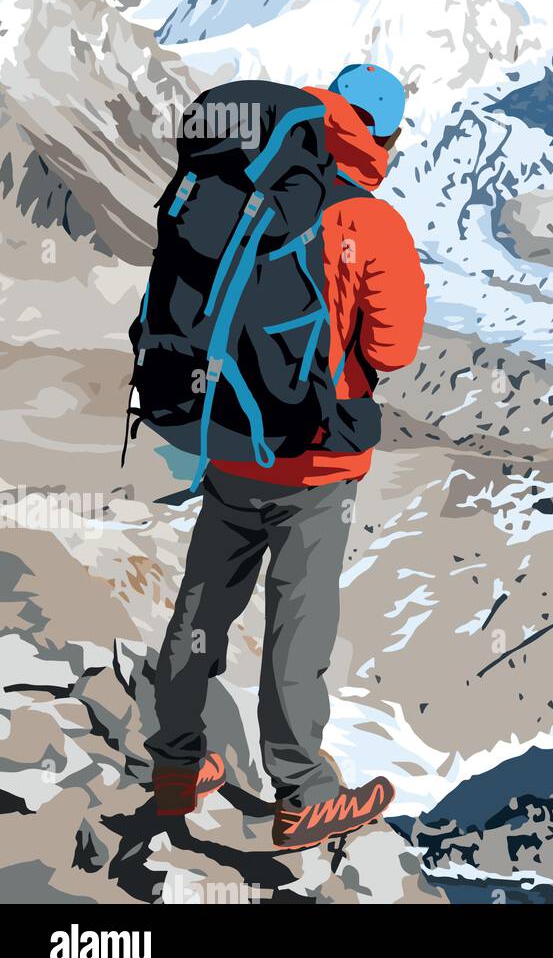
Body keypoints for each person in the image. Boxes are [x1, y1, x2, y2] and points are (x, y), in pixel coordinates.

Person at [146, 64, 426, 850]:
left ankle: (175, 763)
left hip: (230, 442)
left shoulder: (237, 188)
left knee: (203, 605)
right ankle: (302, 790)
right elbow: (393, 347)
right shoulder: (367, 220)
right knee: (298, 623)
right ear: (386, 137)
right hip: (315, 460)